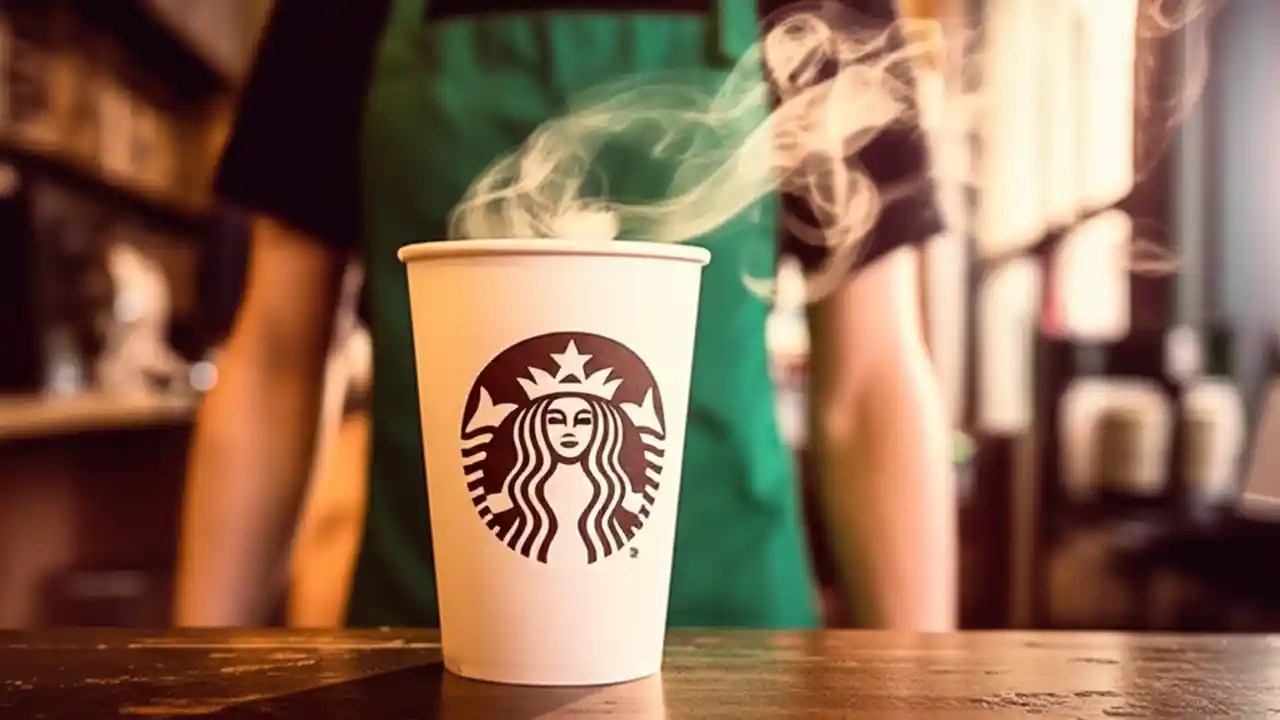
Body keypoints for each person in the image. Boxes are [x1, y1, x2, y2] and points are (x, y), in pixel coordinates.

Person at [175, 0, 957, 630]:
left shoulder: (825, 13)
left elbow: (870, 384)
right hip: (421, 651)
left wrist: (921, 690)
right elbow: (276, 357)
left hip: (737, 647)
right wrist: (200, 680)